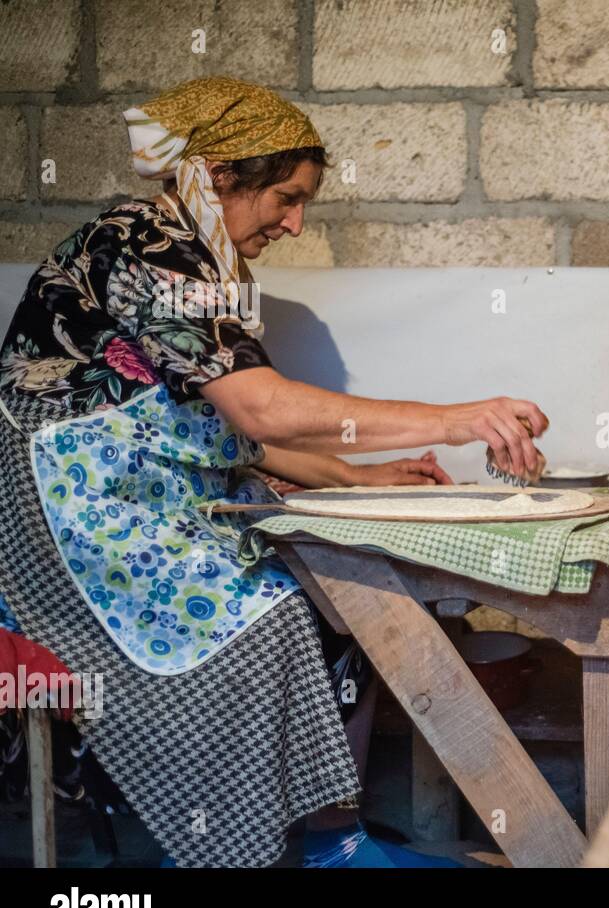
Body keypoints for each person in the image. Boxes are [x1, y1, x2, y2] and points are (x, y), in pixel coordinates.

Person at [0, 76, 547, 867]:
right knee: (267, 615)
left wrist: (359, 478)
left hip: (137, 495)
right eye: (285, 197)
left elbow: (228, 431)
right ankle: (280, 847)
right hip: (63, 518)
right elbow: (262, 411)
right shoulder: (146, 245)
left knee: (337, 607)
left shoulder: (198, 257)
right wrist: (462, 417)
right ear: (221, 175)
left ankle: (331, 838)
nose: (294, 222)